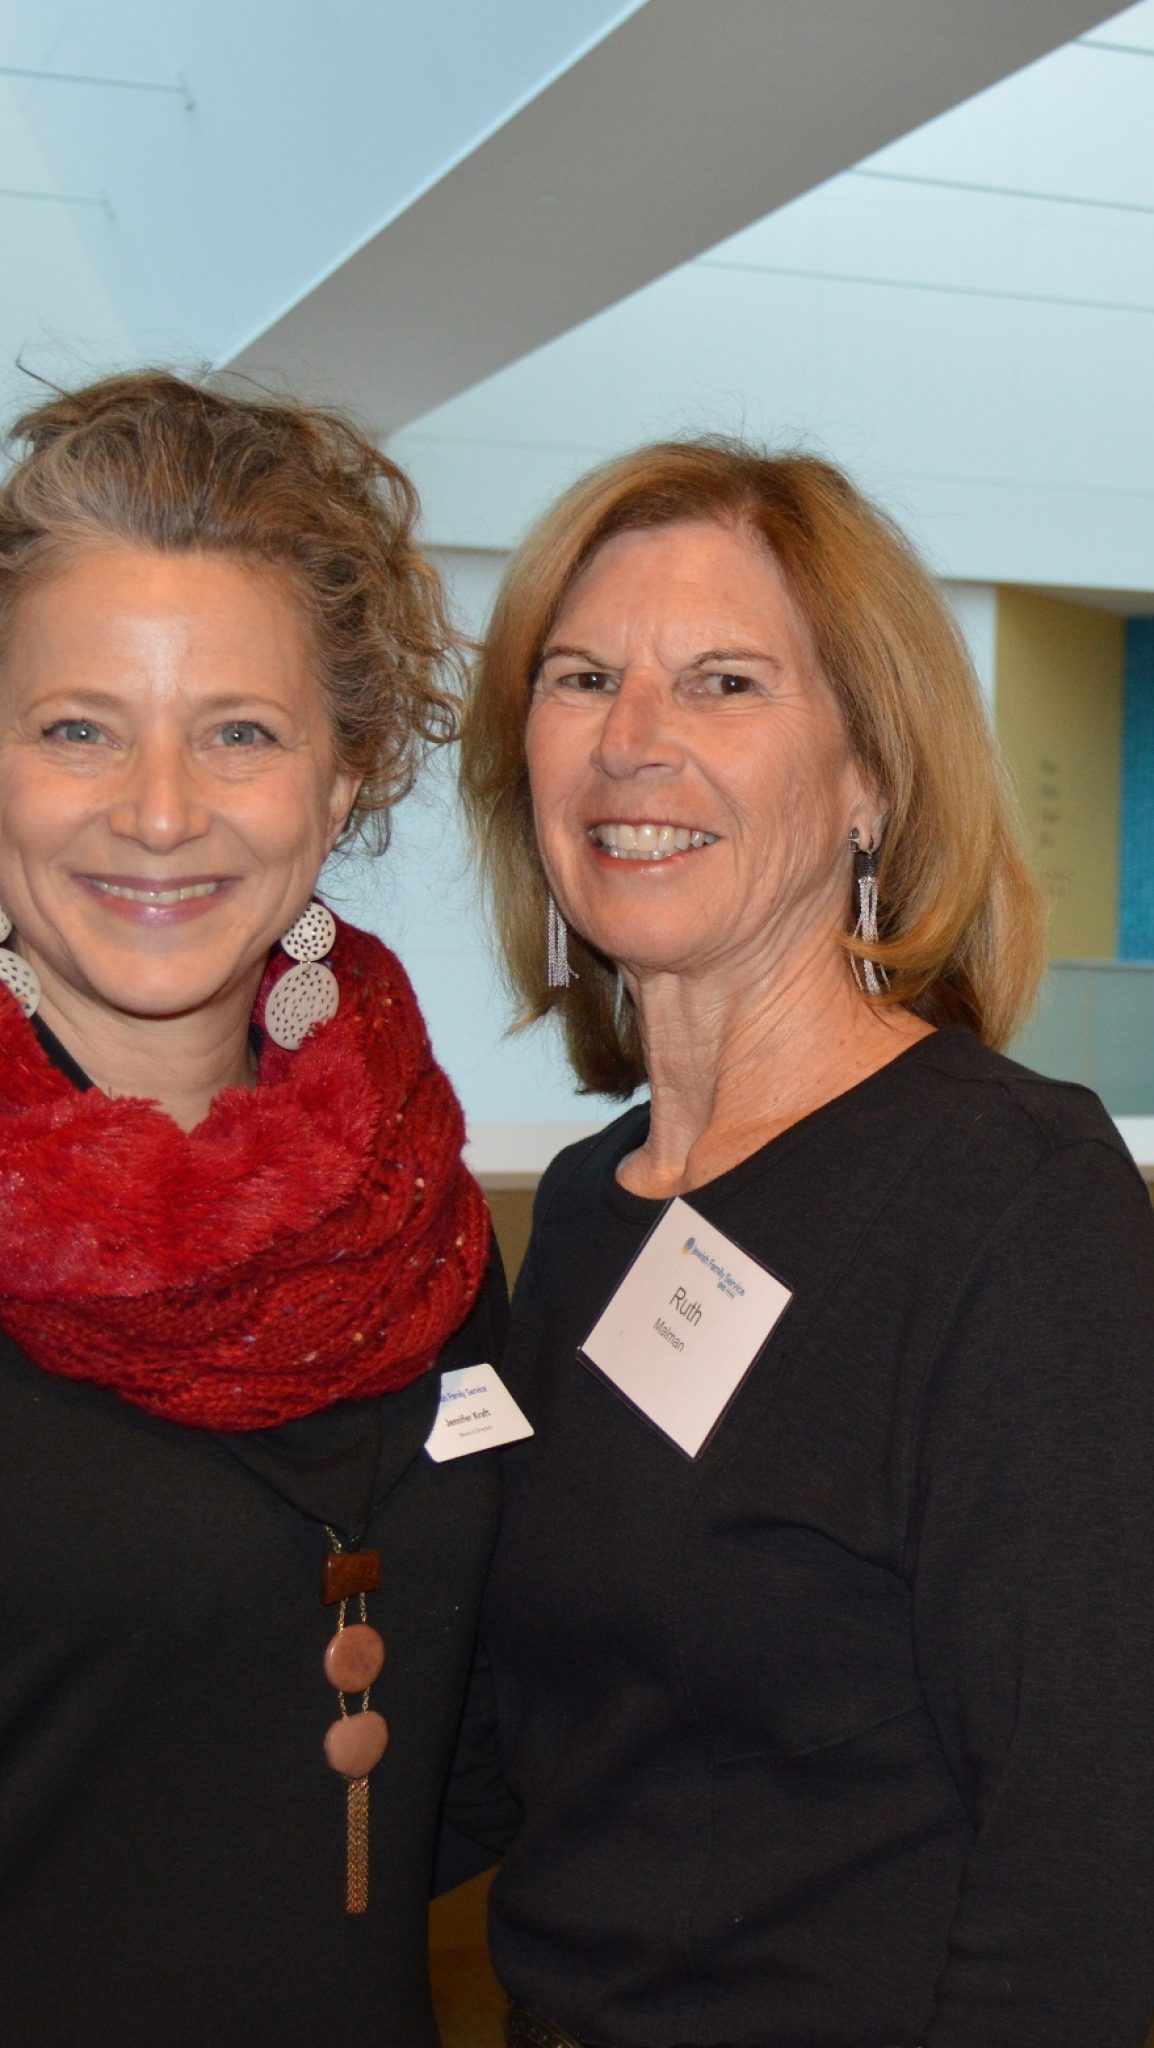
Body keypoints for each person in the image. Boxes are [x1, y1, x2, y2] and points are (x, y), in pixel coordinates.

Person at [454, 439, 1154, 2048]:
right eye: (582, 678)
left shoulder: (1013, 1204)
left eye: (724, 682)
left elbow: (1080, 1875)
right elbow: (550, 1731)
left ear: (871, 773)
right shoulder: (594, 1206)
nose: (633, 742)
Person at [0, 372, 507, 2048]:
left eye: (240, 729)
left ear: (344, 780)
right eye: (78, 726)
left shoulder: (420, 1219)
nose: (160, 809)